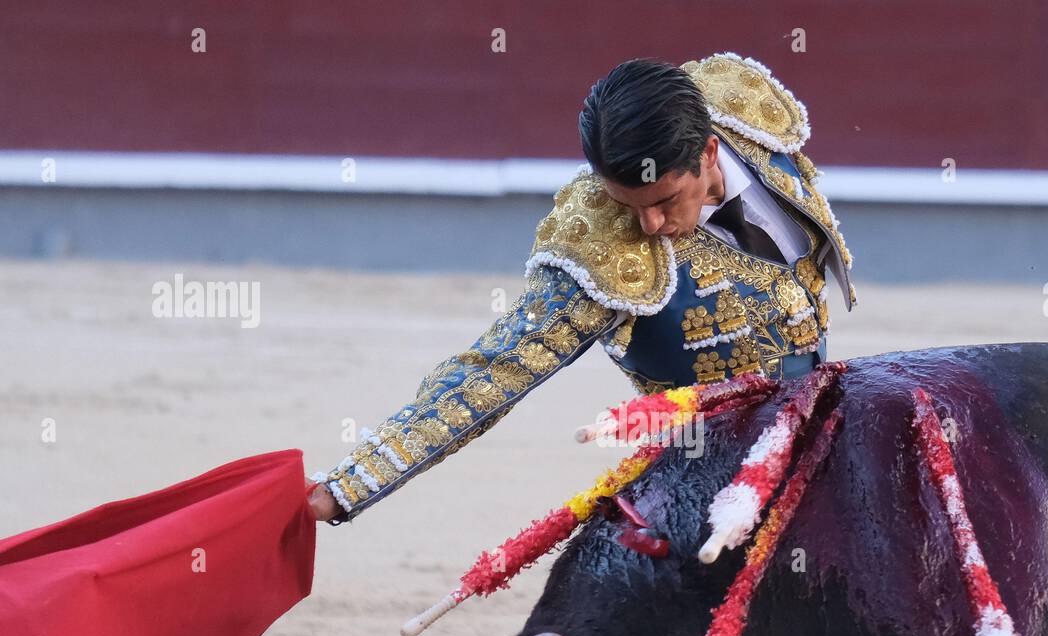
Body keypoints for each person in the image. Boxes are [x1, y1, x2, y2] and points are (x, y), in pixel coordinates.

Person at [307, 52, 858, 523]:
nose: (649, 226)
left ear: (709, 152)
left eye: (665, 202)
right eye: (628, 206)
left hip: (824, 427)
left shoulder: (751, 117)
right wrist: (347, 487)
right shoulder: (597, 249)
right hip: (708, 474)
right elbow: (499, 367)